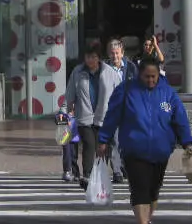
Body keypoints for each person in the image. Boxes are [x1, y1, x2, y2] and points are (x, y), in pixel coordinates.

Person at [97, 56, 192, 224]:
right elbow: (112, 117)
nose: (150, 80)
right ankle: (142, 222)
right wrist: (103, 139)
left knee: (153, 190)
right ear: (139, 75)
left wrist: (188, 142)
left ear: (158, 75)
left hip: (161, 151)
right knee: (139, 189)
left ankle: (147, 219)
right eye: (147, 76)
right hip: (134, 149)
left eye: (154, 77)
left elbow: (180, 119)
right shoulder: (126, 90)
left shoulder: (168, 93)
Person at [64, 42, 119, 189]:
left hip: (104, 117)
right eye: (88, 57)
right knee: (89, 145)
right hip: (85, 116)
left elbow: (119, 93)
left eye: (93, 57)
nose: (90, 60)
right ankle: (87, 175)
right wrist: (69, 108)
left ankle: (99, 174)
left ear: (99, 58)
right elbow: (70, 92)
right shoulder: (78, 72)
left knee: (101, 148)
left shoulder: (109, 72)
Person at [106, 38, 138, 183]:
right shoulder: (104, 68)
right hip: (111, 109)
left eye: (117, 53)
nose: (115, 56)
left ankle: (125, 166)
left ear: (122, 53)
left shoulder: (131, 67)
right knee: (115, 141)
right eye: (112, 53)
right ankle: (117, 171)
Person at [55, 110, 80, 182]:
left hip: (75, 136)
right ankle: (66, 172)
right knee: (67, 154)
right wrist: (65, 119)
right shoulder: (64, 108)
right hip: (65, 135)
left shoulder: (79, 109)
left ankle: (76, 173)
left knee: (74, 155)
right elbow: (57, 118)